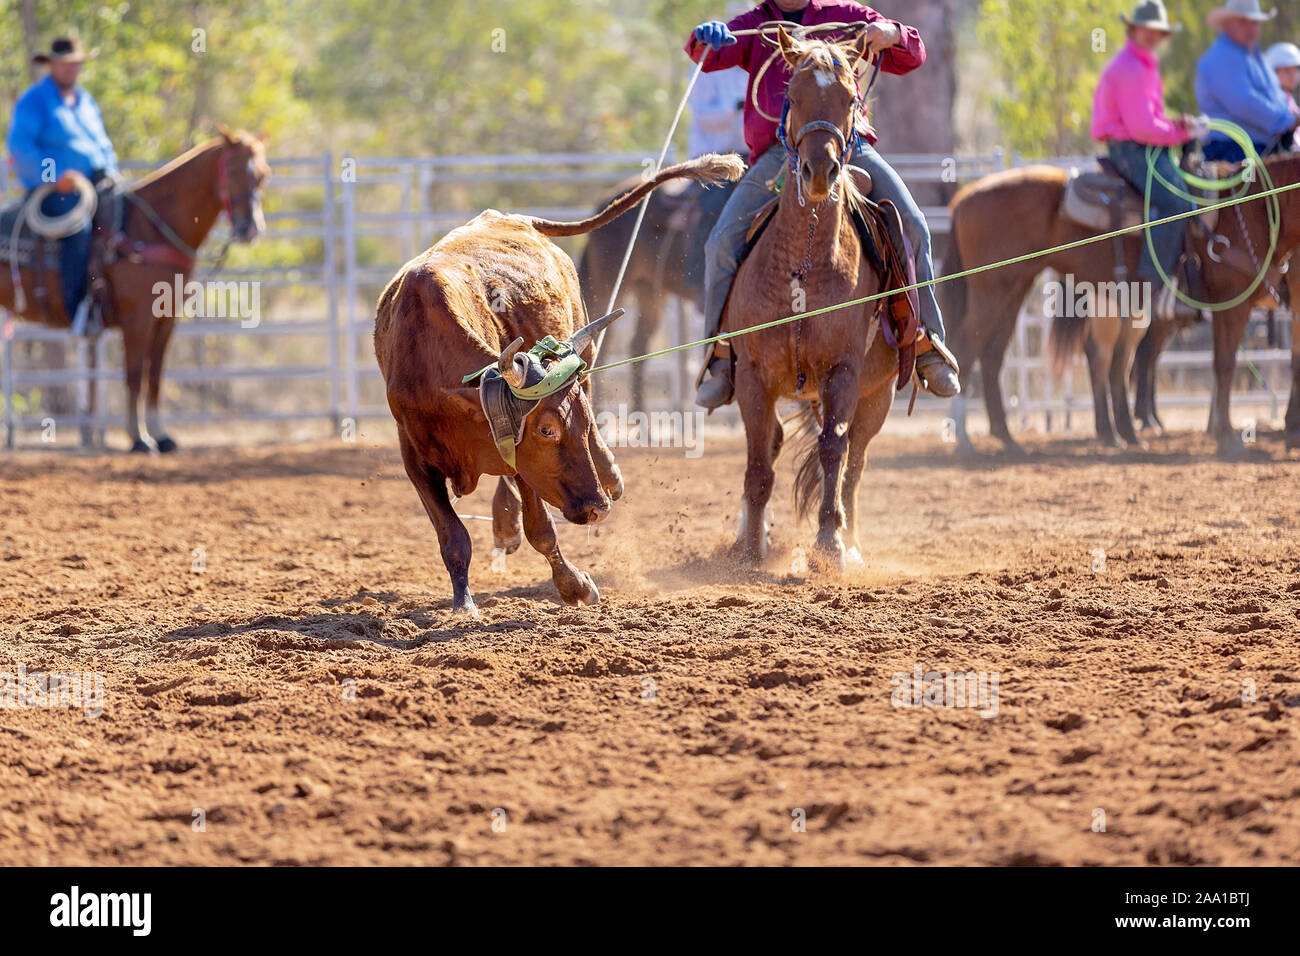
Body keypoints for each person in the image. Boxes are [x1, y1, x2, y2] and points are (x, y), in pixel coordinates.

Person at [688, 0, 960, 409]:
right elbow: (706, 57)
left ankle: (927, 342)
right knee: (720, 243)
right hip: (779, 154)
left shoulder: (848, 16)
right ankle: (722, 358)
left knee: (914, 225)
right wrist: (703, 38)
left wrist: (893, 35)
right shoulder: (755, 25)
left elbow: (912, 55)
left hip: (849, 148)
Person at [1092, 1, 1203, 321]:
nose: (1154, 35)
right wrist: (1180, 134)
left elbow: (1150, 120)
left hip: (1139, 146)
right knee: (1178, 201)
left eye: (1158, 31)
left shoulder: (1142, 65)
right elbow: (1142, 127)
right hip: (1131, 149)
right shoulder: (1130, 68)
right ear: (1135, 29)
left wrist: (1174, 126)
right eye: (1149, 29)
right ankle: (1149, 287)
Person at [5, 37, 119, 332]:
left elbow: (103, 145)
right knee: (77, 229)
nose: (71, 70)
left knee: (126, 221)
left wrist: (112, 173)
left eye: (75, 64)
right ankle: (76, 308)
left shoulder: (86, 102)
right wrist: (54, 177)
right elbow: (20, 146)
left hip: (97, 186)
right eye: (66, 64)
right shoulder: (35, 100)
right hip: (56, 191)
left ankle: (115, 298)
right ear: (52, 65)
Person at [1196, 0, 1298, 162]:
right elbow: (1244, 103)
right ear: (1227, 24)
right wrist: (1287, 120)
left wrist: (1289, 118)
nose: (1251, 28)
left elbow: (1274, 94)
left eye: (1255, 22)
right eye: (1243, 22)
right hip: (1230, 148)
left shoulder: (1254, 56)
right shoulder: (1221, 58)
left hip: (1258, 146)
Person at [1265, 41, 1300, 150]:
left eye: (1295, 70)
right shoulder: (1270, 100)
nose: (1292, 75)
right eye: (1286, 70)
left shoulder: (1288, 99)